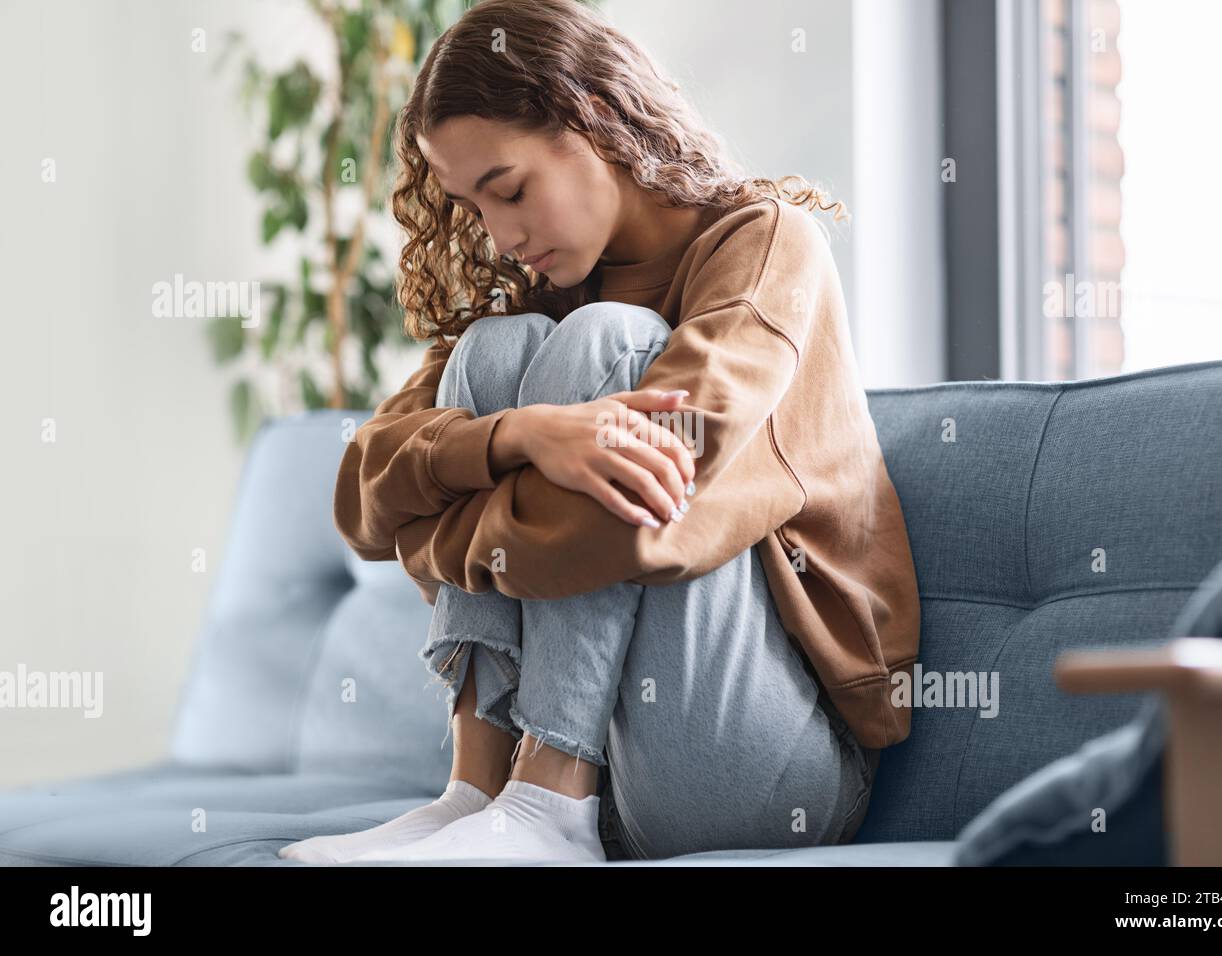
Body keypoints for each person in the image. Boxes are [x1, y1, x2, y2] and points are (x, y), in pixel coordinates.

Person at [279, 0, 920, 865]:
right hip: (622, 779)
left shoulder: (767, 249)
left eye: (509, 191)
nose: (501, 236)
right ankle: (479, 792)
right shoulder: (541, 301)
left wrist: (440, 532)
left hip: (759, 769)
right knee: (494, 349)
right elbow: (362, 498)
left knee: (605, 341)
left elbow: (639, 522)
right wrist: (516, 438)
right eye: (474, 208)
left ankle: (547, 803)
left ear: (596, 121)